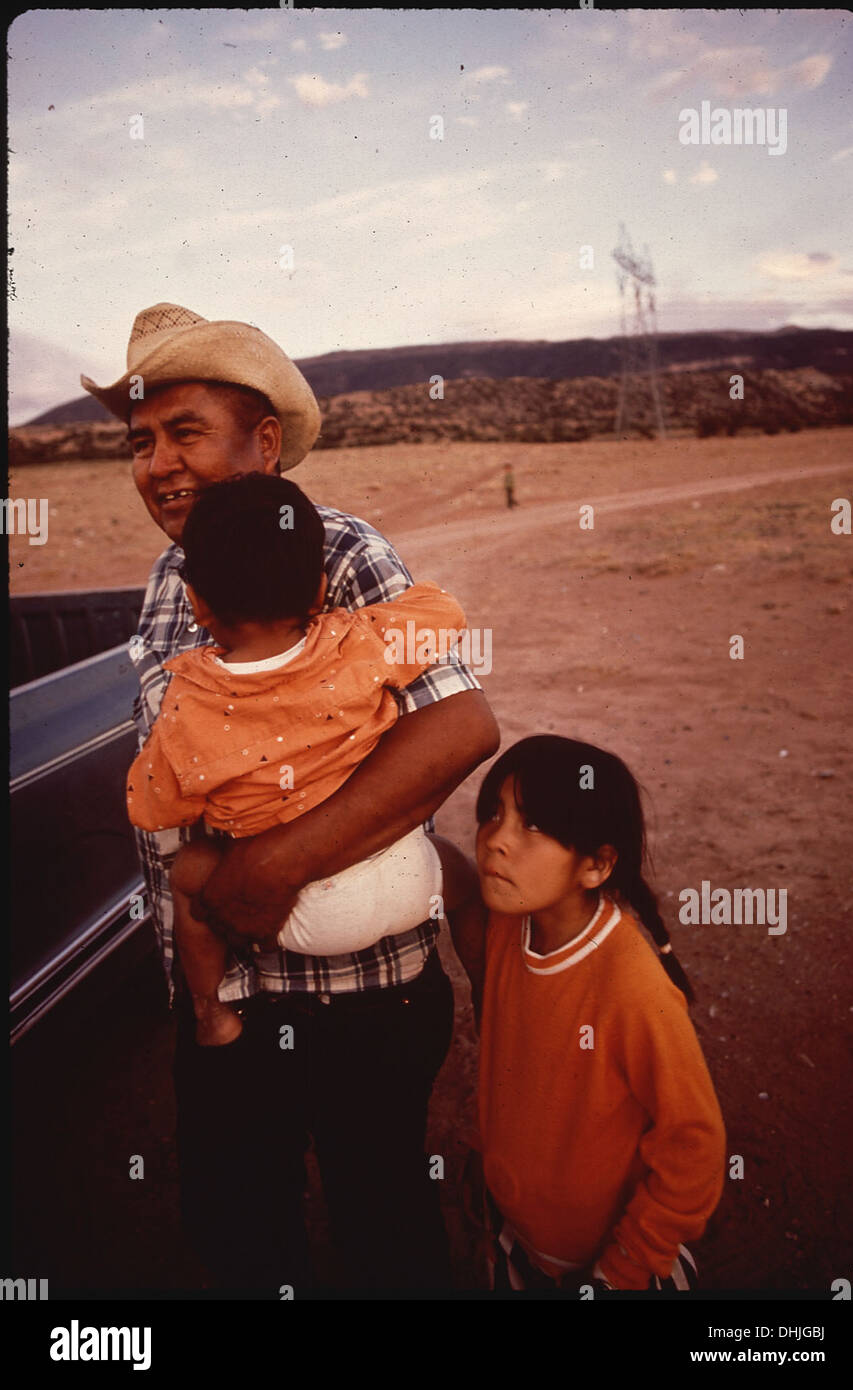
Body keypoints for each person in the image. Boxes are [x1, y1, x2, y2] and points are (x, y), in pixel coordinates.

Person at [81, 302, 499, 1293]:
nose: (158, 463)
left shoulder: (337, 551)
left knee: (382, 1220)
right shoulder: (166, 579)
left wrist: (272, 865)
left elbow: (459, 726)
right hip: (219, 999)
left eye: (185, 431)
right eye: (140, 440)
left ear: (263, 444)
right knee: (235, 1223)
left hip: (362, 995)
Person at [126, 472, 481, 1048]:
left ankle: (209, 1009)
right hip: (412, 880)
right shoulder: (358, 642)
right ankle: (490, 989)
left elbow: (153, 804)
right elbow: (442, 614)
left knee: (190, 873)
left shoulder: (187, 703)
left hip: (299, 923)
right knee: (459, 870)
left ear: (198, 604)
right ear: (319, 591)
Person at [466, 734, 725, 1292]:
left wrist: (626, 1266)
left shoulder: (631, 986)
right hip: (519, 1242)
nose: (495, 842)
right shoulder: (509, 926)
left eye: (532, 826)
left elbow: (694, 1143)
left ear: (596, 865)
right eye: (493, 814)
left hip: (614, 1271)